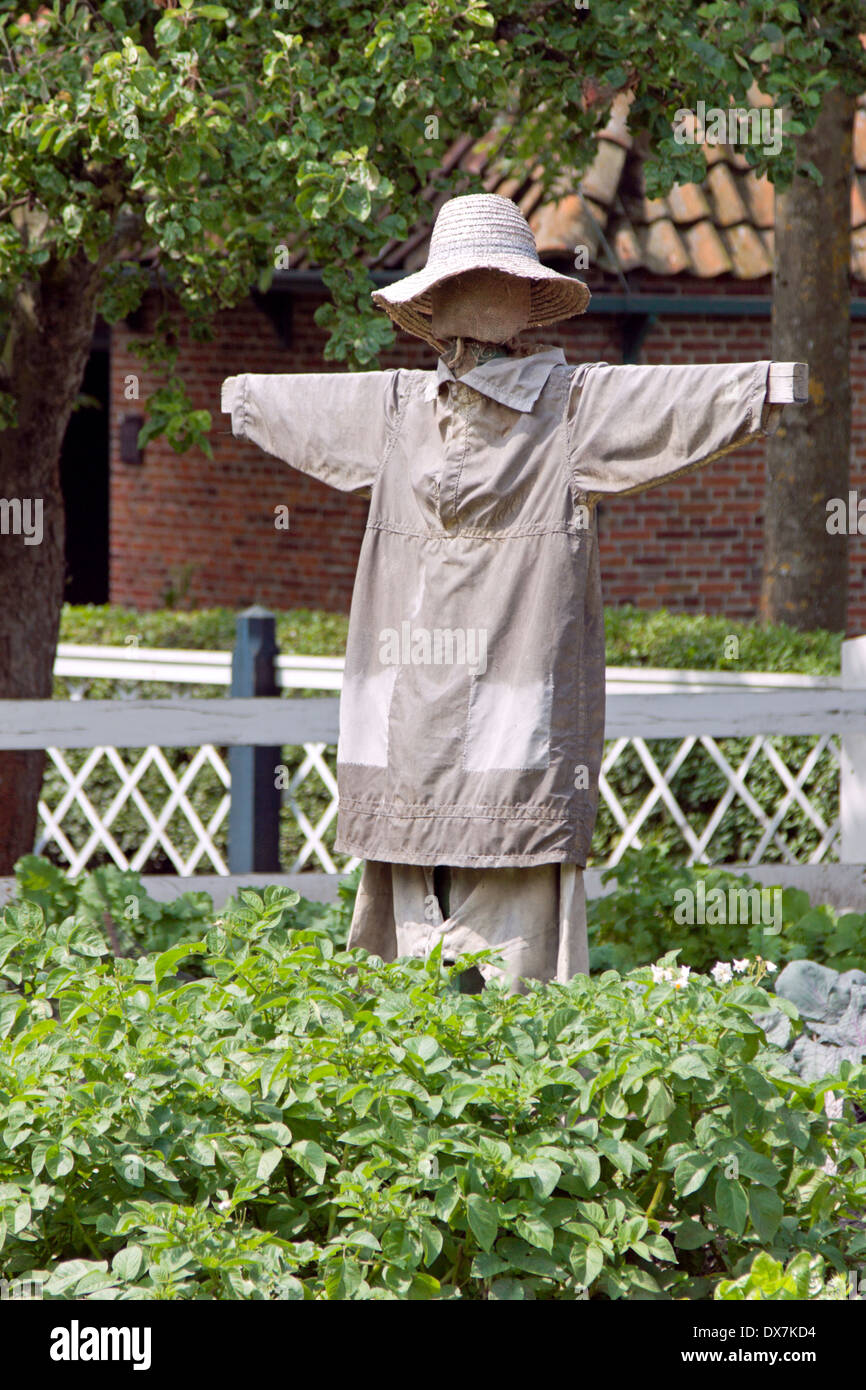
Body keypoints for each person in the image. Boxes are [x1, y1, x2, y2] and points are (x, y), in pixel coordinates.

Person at [222, 192, 806, 993]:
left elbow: (277, 403)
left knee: (413, 989)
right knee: (508, 992)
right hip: (506, 730)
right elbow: (681, 400)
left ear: (430, 305)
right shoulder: (476, 409)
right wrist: (763, 388)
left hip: (414, 724)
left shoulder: (455, 412)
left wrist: (243, 398)